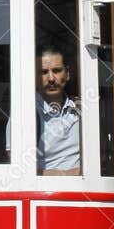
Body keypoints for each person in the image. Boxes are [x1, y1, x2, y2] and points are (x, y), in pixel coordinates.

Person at [36, 42, 80, 174]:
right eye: (43, 72)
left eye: (56, 70)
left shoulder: (83, 110)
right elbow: (17, 168)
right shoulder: (23, 114)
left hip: (84, 190)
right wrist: (64, 175)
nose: (51, 78)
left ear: (67, 74)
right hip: (42, 192)